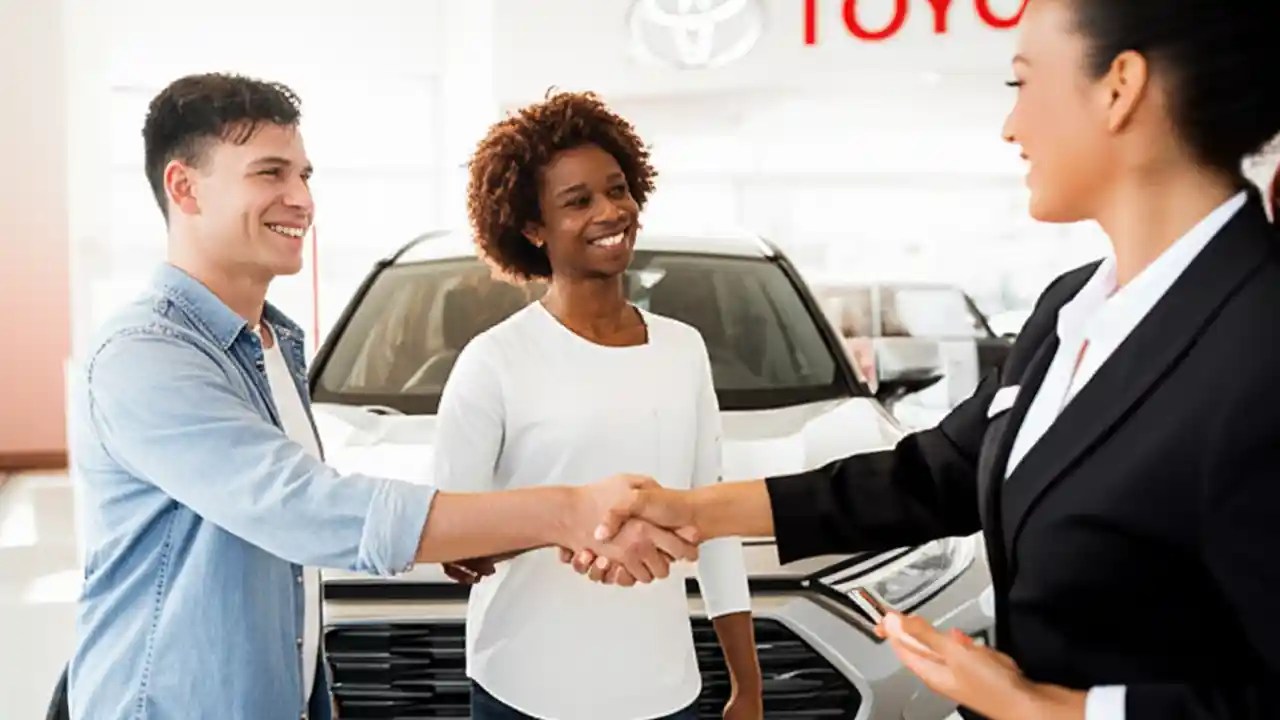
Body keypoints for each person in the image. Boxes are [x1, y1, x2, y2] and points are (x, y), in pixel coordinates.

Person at [578, 1, 1280, 718]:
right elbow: (931, 475)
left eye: (1022, 83)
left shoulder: (1259, 342)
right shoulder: (1072, 309)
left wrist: (1046, 710)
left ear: (1120, 87)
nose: (1012, 126)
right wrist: (689, 510)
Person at [66, 73, 698, 720]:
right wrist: (568, 511)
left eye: (305, 175)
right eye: (270, 174)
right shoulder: (144, 357)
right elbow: (305, 511)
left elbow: (280, 573)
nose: (301, 200)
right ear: (184, 187)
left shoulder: (272, 345)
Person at [431, 90, 763, 720]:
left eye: (617, 190)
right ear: (533, 228)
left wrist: (747, 685)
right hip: (525, 689)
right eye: (577, 201)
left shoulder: (682, 349)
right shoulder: (495, 360)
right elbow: (456, 543)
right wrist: (575, 525)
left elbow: (713, 524)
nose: (610, 212)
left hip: (664, 692)